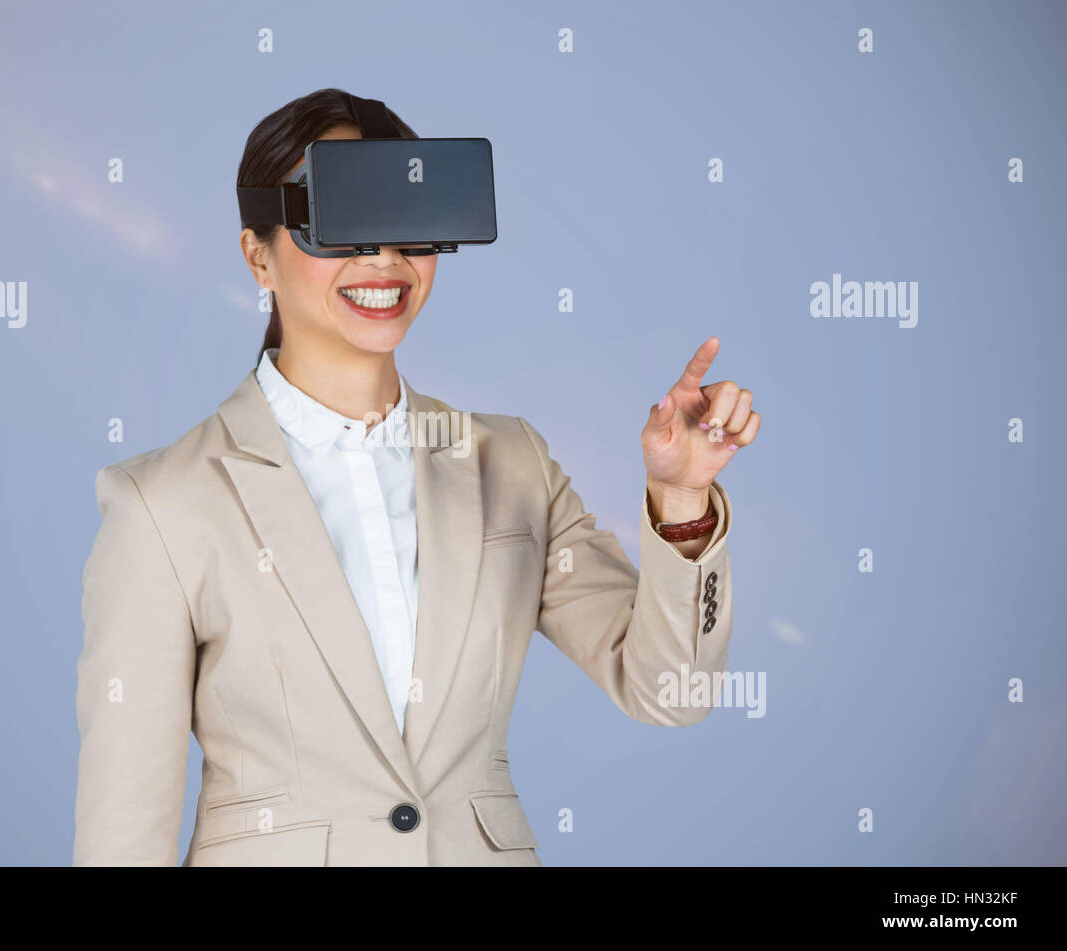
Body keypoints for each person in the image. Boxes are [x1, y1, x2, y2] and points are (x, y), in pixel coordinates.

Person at [73, 88, 761, 866]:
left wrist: (681, 499)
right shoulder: (162, 503)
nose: (385, 261)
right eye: (342, 220)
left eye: (409, 222)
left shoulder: (512, 464)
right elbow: (122, 833)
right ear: (257, 254)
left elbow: (671, 692)